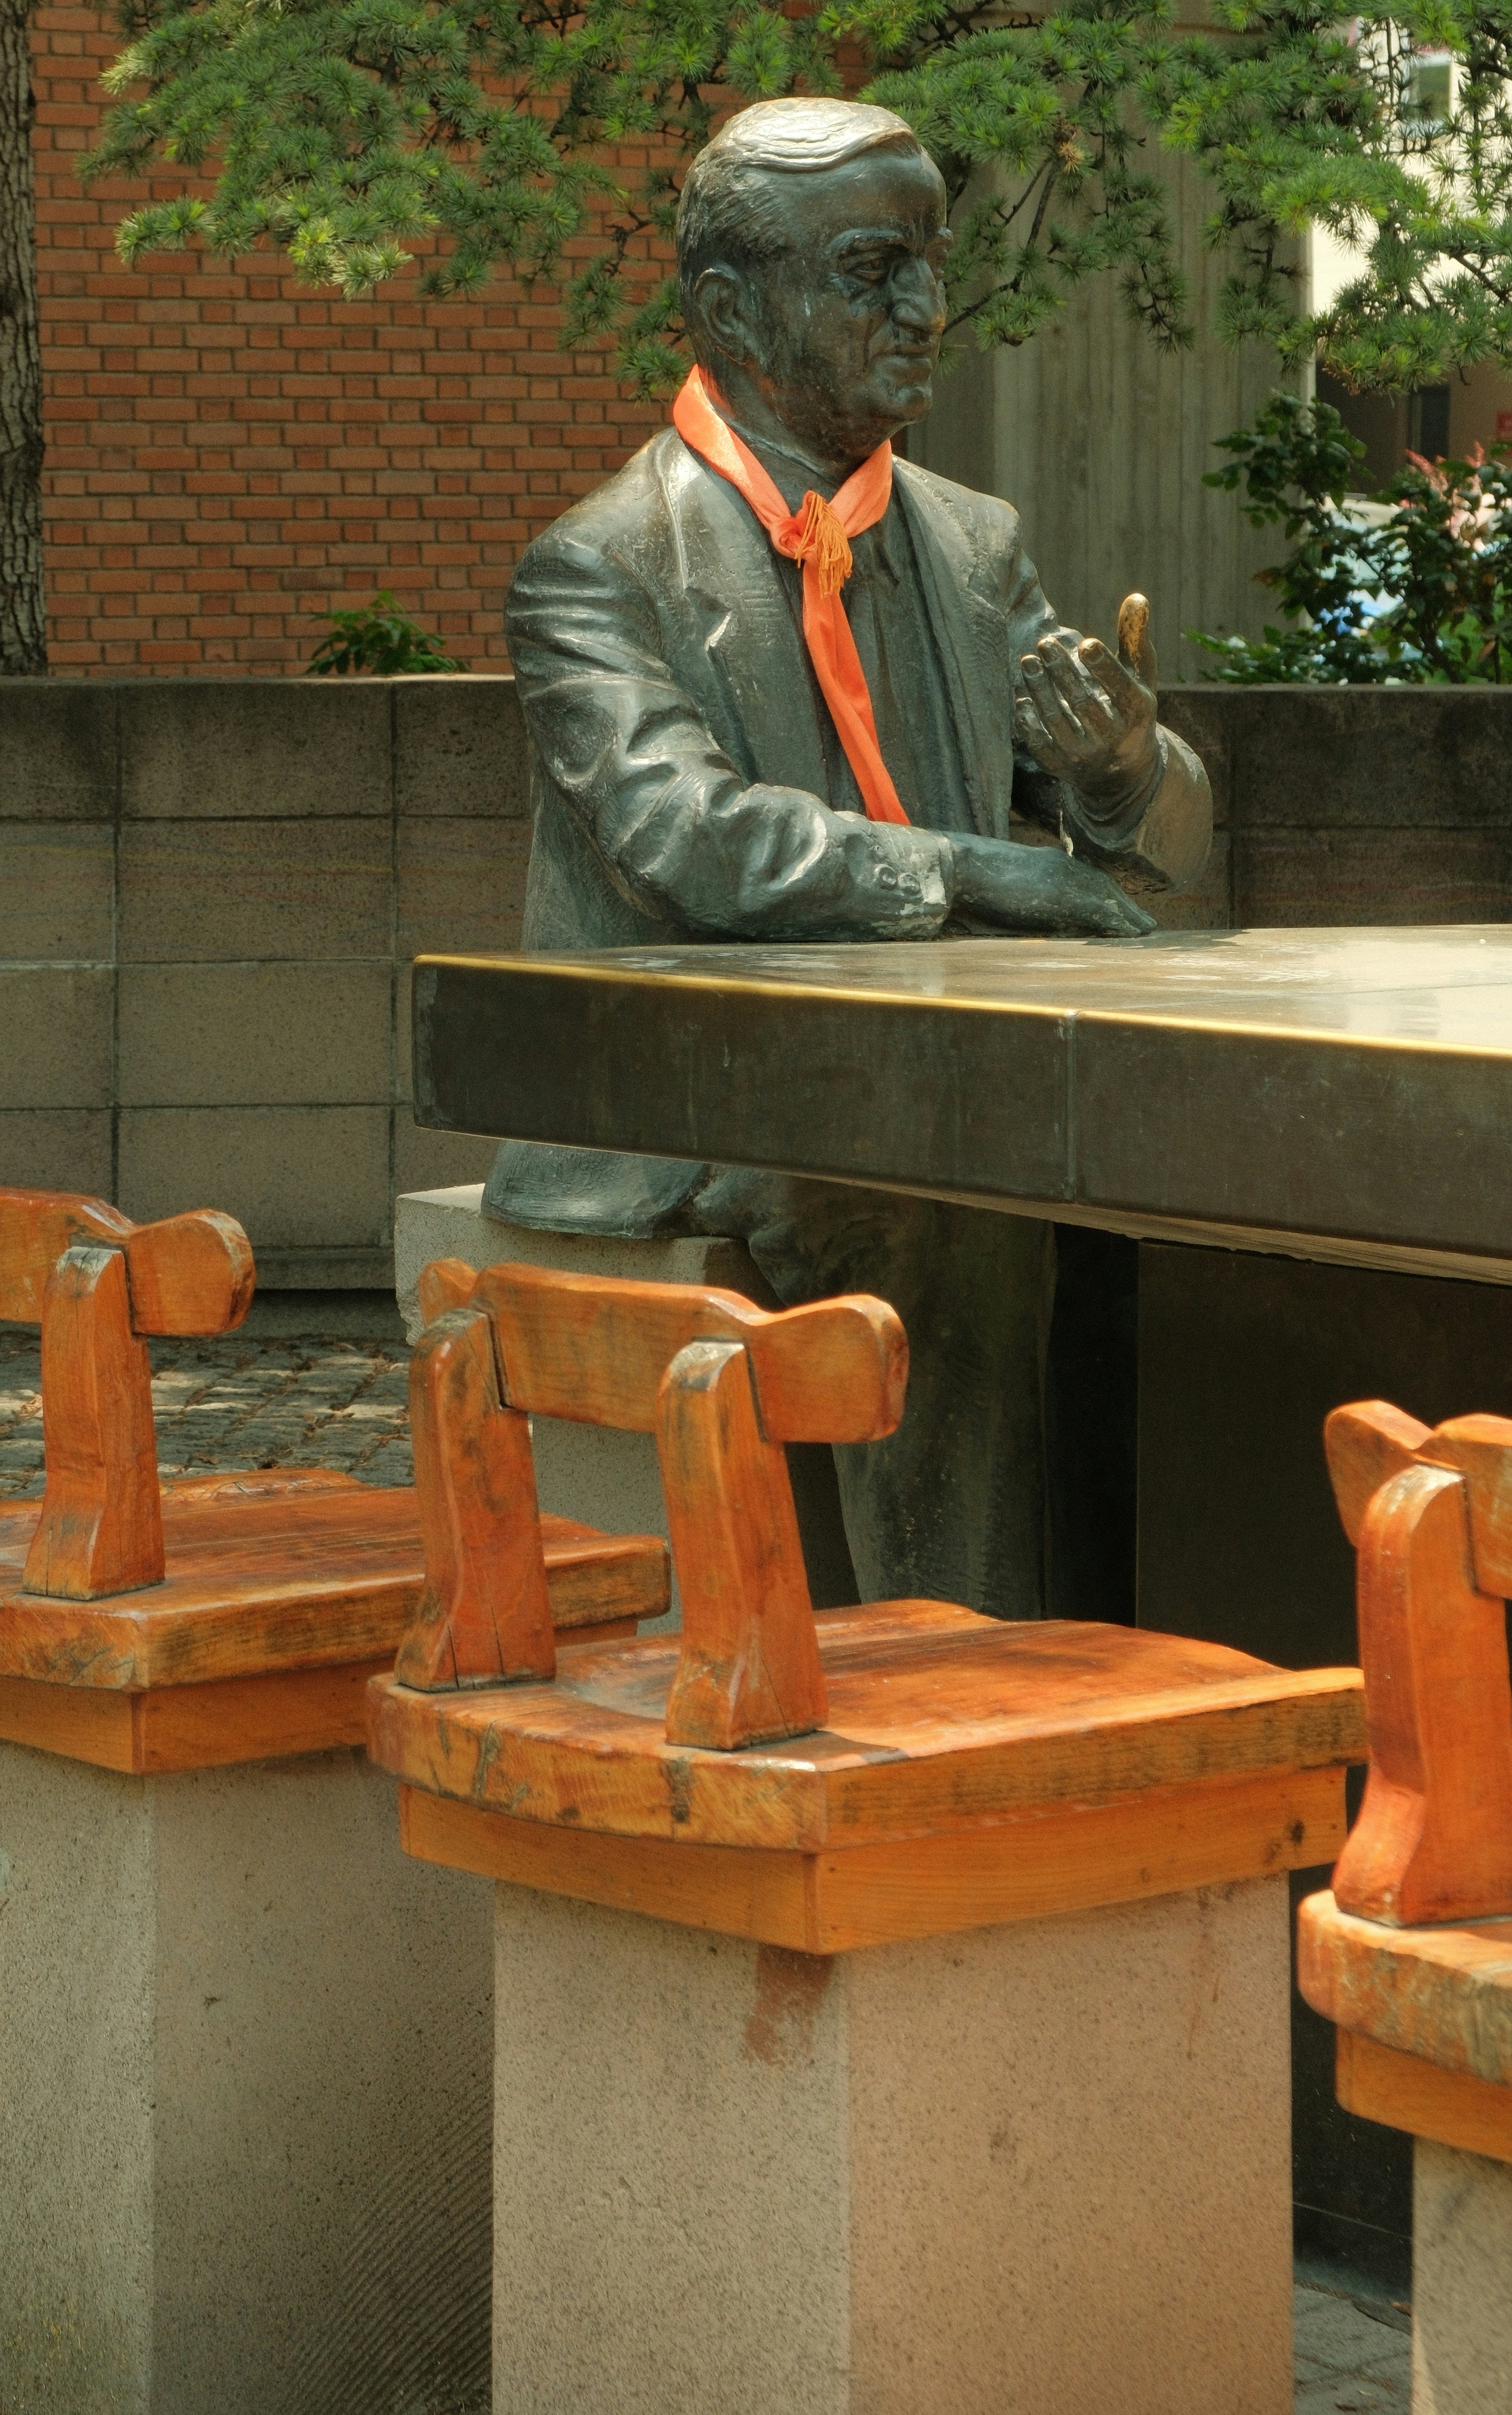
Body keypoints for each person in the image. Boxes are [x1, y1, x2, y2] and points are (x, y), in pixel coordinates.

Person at [485, 93, 1212, 1615]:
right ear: (732, 309)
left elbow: (1151, 847)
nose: (927, 309)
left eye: (934, 266)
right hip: (682, 1110)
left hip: (931, 1080)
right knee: (936, 1213)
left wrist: (1117, 764)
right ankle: (968, 1692)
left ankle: (1181, 1679)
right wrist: (968, 871)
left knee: (1204, 1209)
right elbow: (683, 836)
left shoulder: (972, 544)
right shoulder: (597, 568)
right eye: (875, 270)